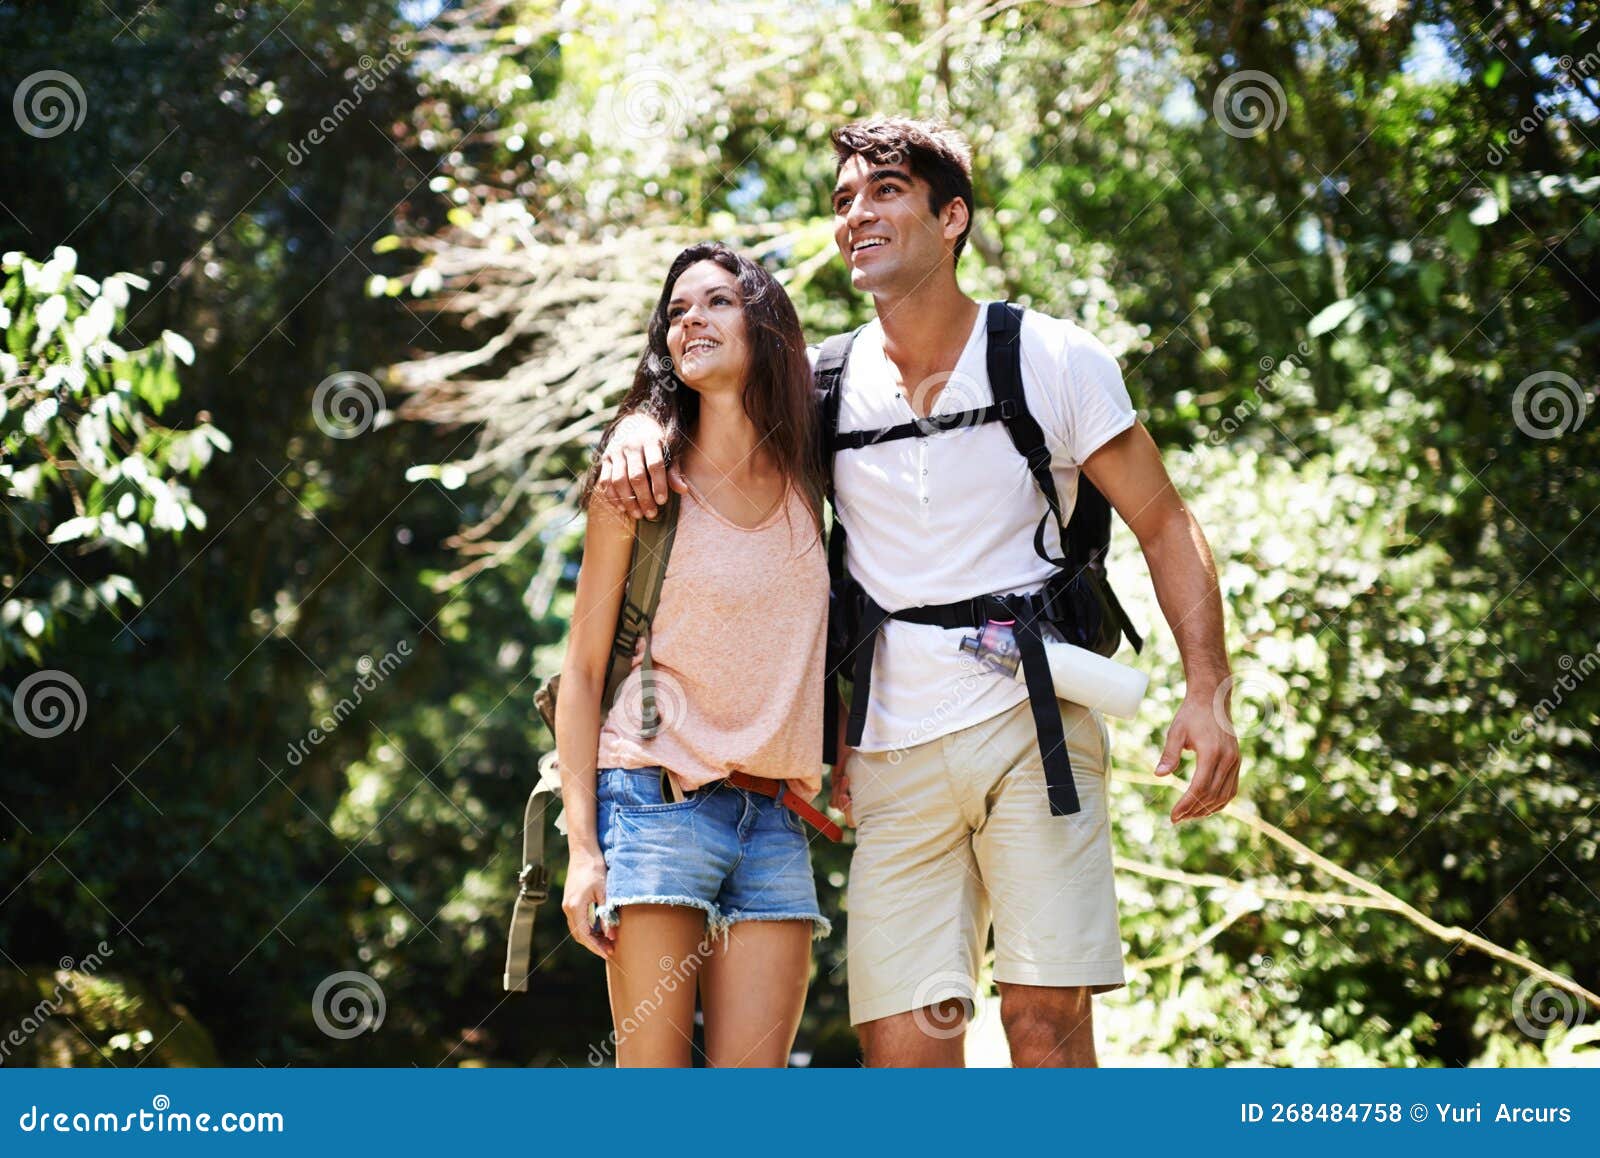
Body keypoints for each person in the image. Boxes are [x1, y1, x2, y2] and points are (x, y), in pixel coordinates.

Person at [596, 117, 1242, 1067]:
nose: (857, 214)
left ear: (953, 217)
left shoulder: (1052, 359)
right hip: (891, 751)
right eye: (843, 201)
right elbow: (711, 395)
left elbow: (1164, 520)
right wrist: (641, 421)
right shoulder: (820, 385)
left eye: (884, 191)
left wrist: (1207, 691)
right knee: (903, 1049)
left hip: (1038, 722)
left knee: (1042, 1021)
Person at [555, 241, 832, 1067]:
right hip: (653, 802)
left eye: (715, 302)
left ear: (766, 325)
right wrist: (580, 849)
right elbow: (581, 670)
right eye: (676, 311)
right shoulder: (639, 482)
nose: (691, 321)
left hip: (778, 817)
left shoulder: (816, 472)